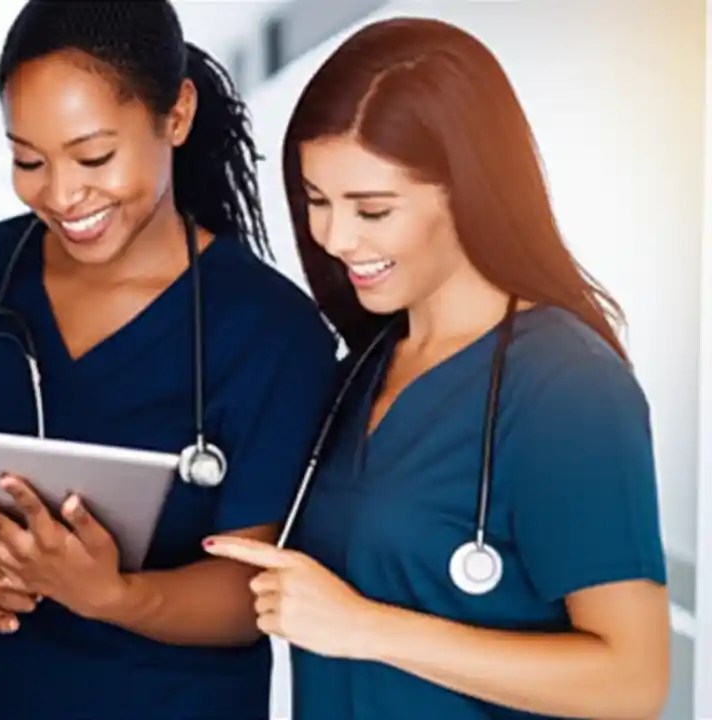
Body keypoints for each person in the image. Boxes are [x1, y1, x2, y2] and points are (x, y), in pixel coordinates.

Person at [0, 2, 337, 718]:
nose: (63, 195)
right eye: (28, 160)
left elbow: (250, 591)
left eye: (94, 156)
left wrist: (113, 595)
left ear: (178, 114)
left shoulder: (272, 331)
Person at [204, 16, 671, 720]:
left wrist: (366, 628)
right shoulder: (357, 373)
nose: (334, 237)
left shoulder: (566, 386)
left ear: (468, 188)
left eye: (372, 208)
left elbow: (631, 683)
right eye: (317, 201)